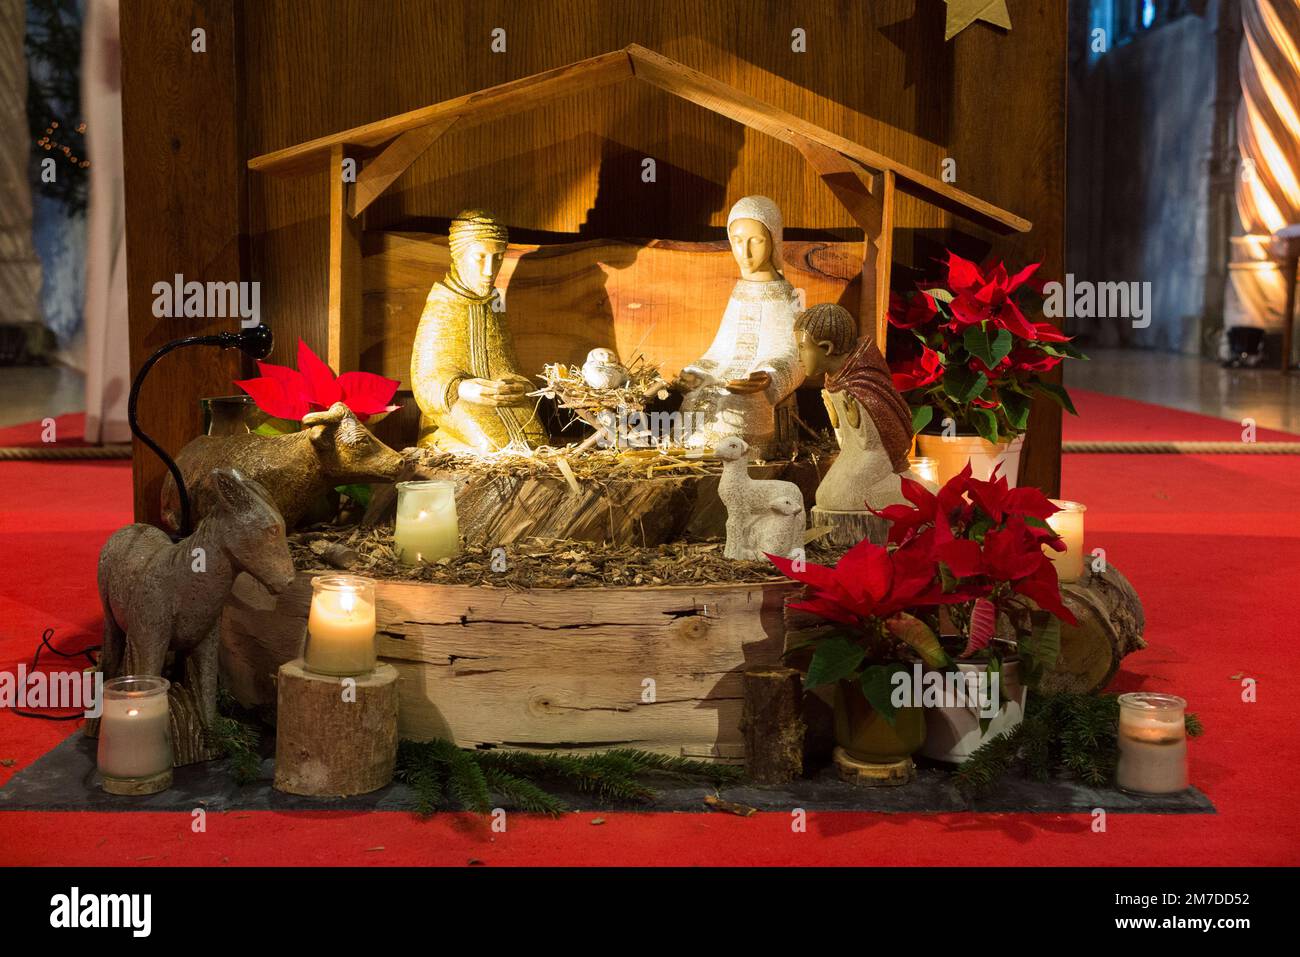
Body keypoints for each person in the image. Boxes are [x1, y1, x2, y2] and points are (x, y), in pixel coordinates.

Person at [676, 196, 803, 457]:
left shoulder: (789, 295)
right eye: (736, 240)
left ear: (774, 240)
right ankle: (697, 453)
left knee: (739, 402)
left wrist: (768, 378)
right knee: (696, 395)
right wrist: (696, 371)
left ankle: (741, 457)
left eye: (755, 240)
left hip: (758, 384)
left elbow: (798, 354)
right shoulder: (739, 291)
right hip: (728, 375)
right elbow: (720, 348)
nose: (744, 252)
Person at [410, 209, 547, 453]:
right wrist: (463, 388)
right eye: (480, 257)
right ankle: (442, 440)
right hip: (455, 402)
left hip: (500, 399)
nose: (489, 270)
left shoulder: (494, 301)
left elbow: (505, 362)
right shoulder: (442, 303)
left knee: (536, 445)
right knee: (494, 446)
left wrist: (516, 384)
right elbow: (425, 379)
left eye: (498, 258)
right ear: (459, 257)